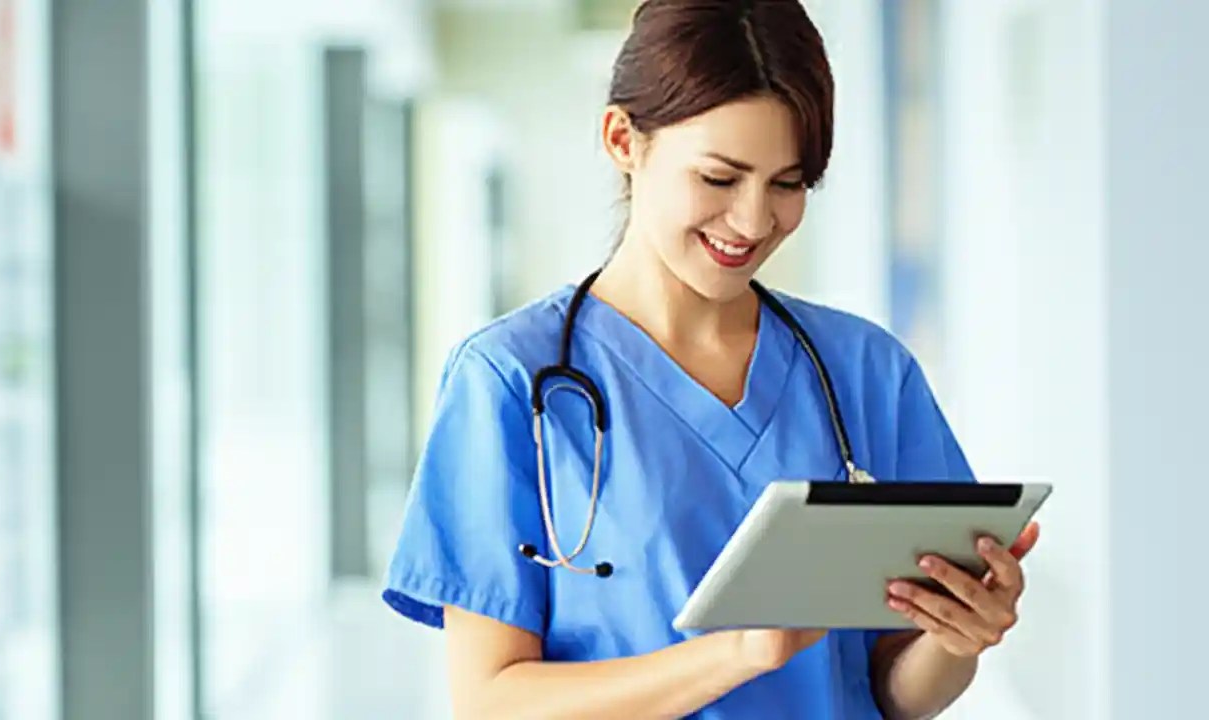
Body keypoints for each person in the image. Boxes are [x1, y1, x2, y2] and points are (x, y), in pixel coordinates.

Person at [381, 1, 1040, 717]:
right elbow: (491, 703)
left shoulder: (866, 372)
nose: (755, 221)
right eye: (721, 179)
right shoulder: (510, 381)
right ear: (622, 140)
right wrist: (735, 654)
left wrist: (958, 640)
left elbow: (889, 693)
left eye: (788, 184)